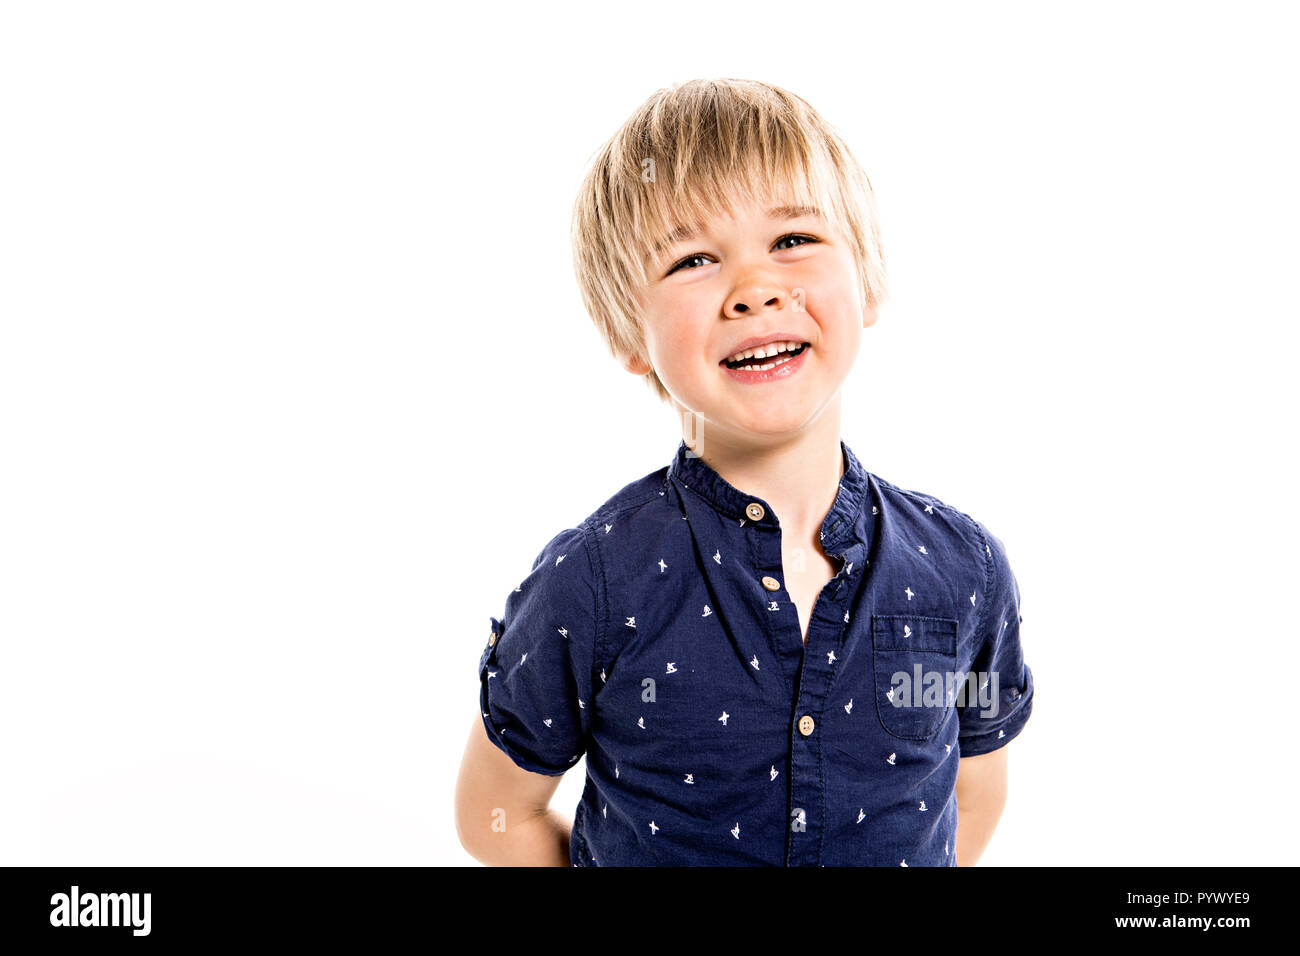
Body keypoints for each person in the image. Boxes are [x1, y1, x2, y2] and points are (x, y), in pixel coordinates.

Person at [455, 77, 1034, 866]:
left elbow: (974, 791)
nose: (755, 290)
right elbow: (496, 815)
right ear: (631, 336)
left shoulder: (964, 570)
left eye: (793, 240)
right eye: (693, 259)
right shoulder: (591, 584)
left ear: (866, 279)